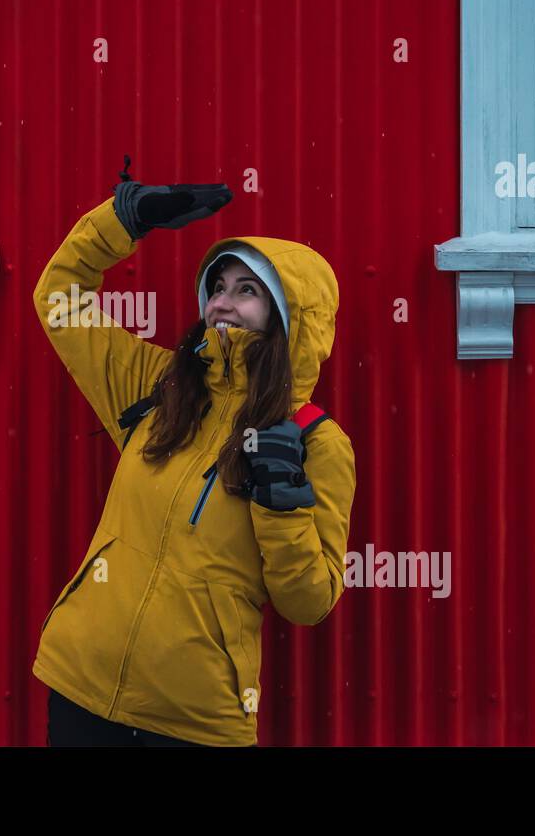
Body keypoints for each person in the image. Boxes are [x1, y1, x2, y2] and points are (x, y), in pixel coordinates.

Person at [32, 163, 357, 747]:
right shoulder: (159, 386)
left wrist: (281, 503)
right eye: (218, 287)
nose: (223, 302)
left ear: (291, 318)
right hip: (80, 681)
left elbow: (309, 600)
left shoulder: (315, 441)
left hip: (194, 718)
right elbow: (59, 300)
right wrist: (122, 219)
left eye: (247, 290)